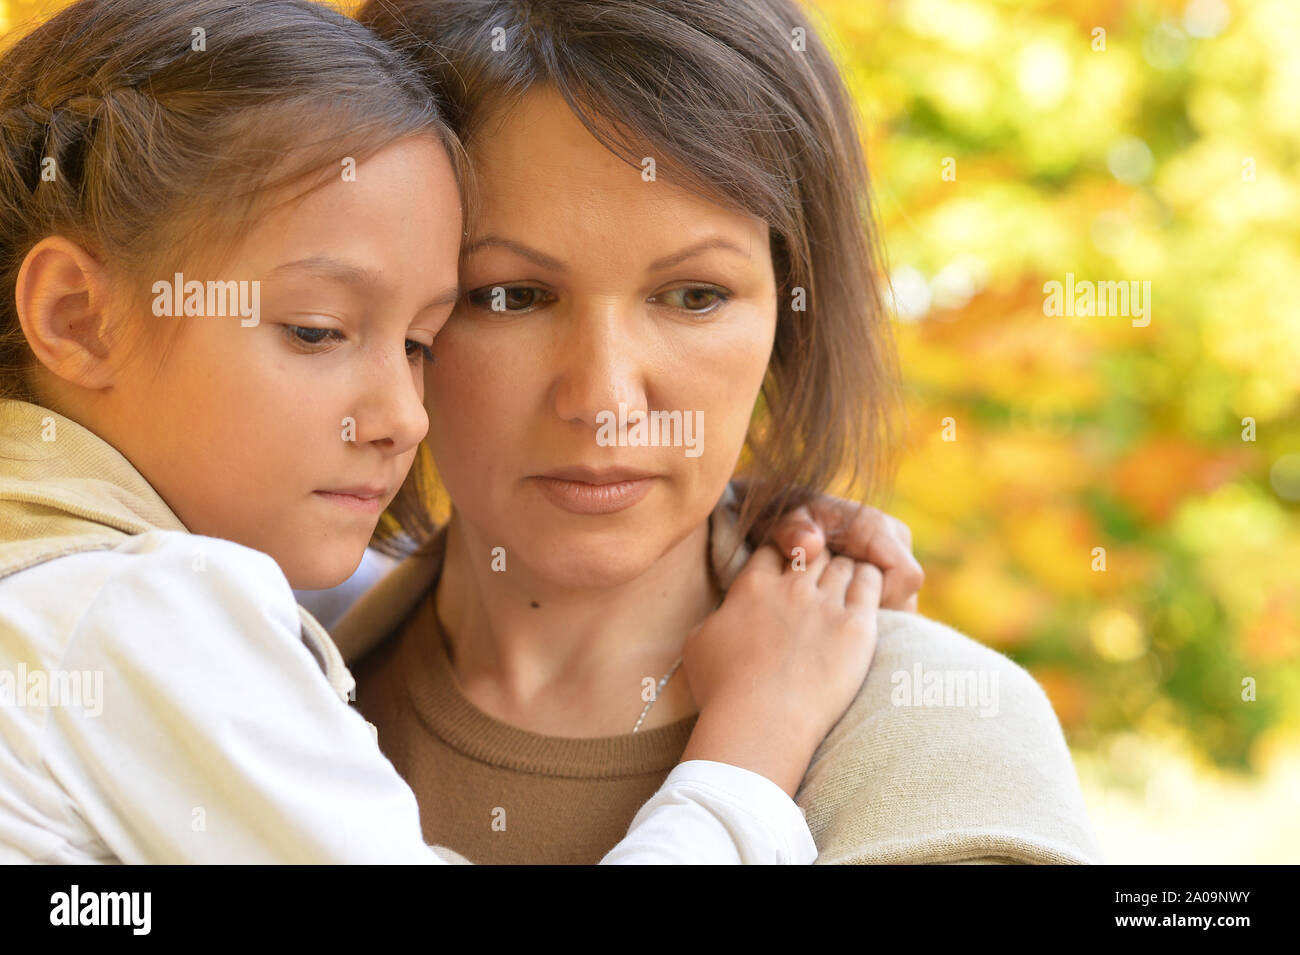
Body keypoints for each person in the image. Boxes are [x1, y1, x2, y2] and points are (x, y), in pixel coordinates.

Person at [0, 0, 887, 864]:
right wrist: (750, 751)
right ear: (77, 317)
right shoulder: (140, 614)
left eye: (422, 341)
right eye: (316, 330)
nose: (403, 417)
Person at [342, 0, 1108, 864]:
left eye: (694, 295)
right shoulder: (256, 692)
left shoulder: (940, 735)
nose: (604, 399)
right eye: (511, 295)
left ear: (791, 309)